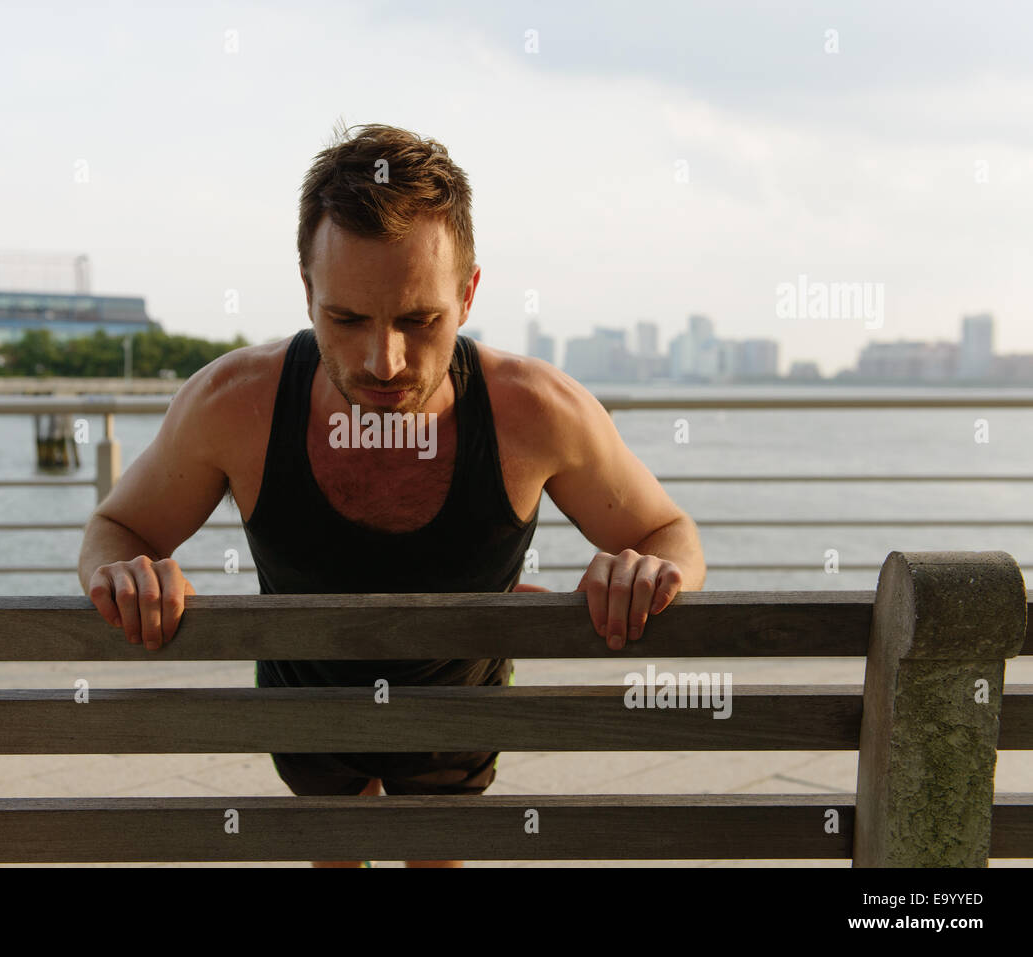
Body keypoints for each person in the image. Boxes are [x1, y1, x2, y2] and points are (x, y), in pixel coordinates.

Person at [78, 121, 706, 868]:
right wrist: (128, 572)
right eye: (346, 319)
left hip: (454, 717)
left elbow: (671, 534)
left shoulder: (535, 410)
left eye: (420, 319)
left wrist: (640, 567)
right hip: (308, 713)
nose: (385, 360)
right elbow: (117, 528)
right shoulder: (234, 402)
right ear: (308, 293)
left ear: (468, 294)